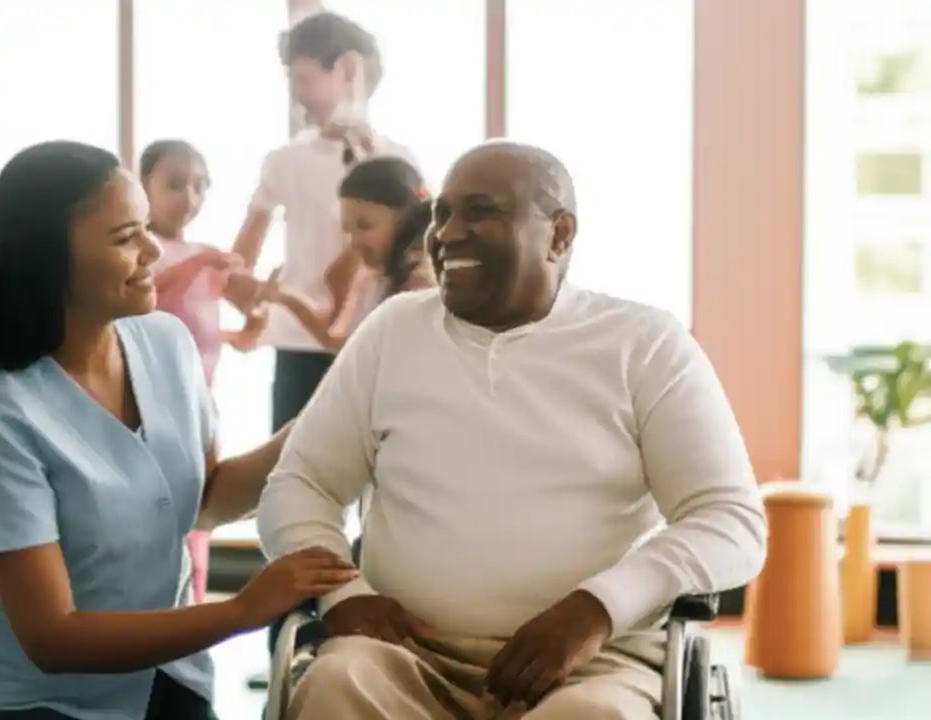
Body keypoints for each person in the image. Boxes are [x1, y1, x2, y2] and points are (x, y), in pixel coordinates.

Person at [257, 140, 769, 719]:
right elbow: (300, 485)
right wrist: (344, 595)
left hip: (597, 660)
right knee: (333, 685)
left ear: (560, 235)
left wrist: (596, 610)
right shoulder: (392, 333)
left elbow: (731, 520)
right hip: (403, 654)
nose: (447, 234)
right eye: (442, 214)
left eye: (481, 212)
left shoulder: (644, 344)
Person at [0, 140, 357, 720]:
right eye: (126, 237)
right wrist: (243, 610)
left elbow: (204, 498)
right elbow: (52, 638)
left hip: (164, 677)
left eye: (146, 228)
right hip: (29, 701)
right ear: (48, 260)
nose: (154, 249)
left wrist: (327, 418)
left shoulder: (166, 342)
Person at [228, 10, 414, 431]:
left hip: (376, 343)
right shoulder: (285, 161)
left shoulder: (399, 164)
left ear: (349, 70)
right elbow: (239, 263)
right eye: (291, 81)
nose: (297, 95)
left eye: (304, 79)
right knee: (289, 470)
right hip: (298, 345)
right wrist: (249, 294)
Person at [139, 138, 267, 605]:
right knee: (161, 510)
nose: (188, 197)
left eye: (199, 187)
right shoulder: (144, 248)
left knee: (200, 510)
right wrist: (203, 262)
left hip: (201, 407)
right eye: (175, 185)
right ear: (143, 186)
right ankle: (154, 613)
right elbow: (148, 296)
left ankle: (191, 606)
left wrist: (255, 320)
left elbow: (235, 326)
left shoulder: (203, 254)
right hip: (151, 404)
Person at [263, 156, 435, 352]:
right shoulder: (370, 280)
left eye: (365, 226)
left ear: (408, 218)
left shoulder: (424, 286)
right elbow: (342, 345)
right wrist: (285, 298)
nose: (355, 243)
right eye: (348, 230)